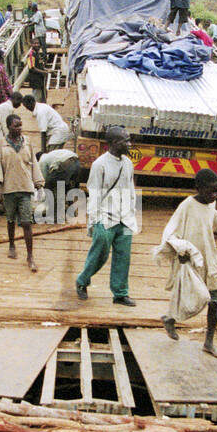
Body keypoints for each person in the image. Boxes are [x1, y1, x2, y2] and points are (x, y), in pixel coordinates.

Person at [156, 168, 217, 358]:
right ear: (198, 188)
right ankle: (170, 319)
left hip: (209, 257)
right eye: (211, 191)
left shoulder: (212, 204)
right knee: (191, 294)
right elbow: (171, 231)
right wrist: (180, 250)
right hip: (191, 260)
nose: (215, 195)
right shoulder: (187, 205)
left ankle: (208, 342)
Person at [76, 127, 138, 305]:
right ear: (112, 144)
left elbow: (130, 189)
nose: (129, 144)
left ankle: (120, 293)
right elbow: (94, 193)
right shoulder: (99, 165)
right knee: (99, 254)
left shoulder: (127, 163)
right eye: (124, 141)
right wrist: (94, 221)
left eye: (128, 140)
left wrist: (132, 213)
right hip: (105, 216)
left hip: (125, 218)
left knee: (123, 256)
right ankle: (82, 281)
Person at [0, 114, 44, 272]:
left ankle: (30, 256)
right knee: (10, 219)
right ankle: (12, 244)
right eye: (16, 126)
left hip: (25, 186)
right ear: (8, 127)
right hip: (9, 187)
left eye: (20, 125)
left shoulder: (27, 142)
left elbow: (33, 162)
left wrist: (38, 183)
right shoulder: (0, 145)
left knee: (27, 222)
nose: (19, 128)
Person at [38, 147, 84, 224]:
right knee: (68, 188)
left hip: (65, 163)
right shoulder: (52, 155)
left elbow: (44, 179)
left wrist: (43, 194)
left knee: (50, 188)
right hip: (77, 163)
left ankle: (55, 217)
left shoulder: (42, 160)